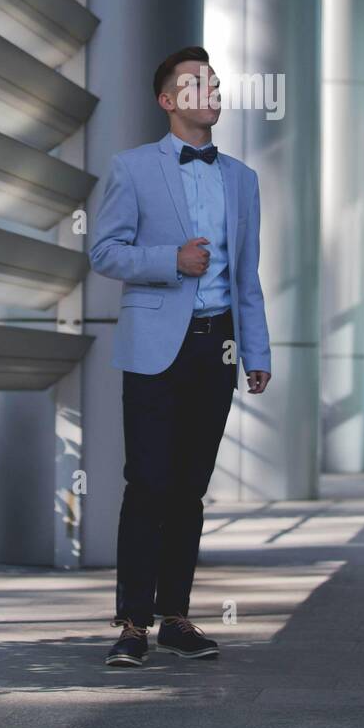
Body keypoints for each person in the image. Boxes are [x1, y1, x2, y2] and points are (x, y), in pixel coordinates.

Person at [89, 46, 272, 667]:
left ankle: (176, 618)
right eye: (196, 83)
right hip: (153, 346)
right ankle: (132, 624)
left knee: (190, 489)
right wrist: (171, 261)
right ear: (169, 102)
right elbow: (105, 252)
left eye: (214, 81)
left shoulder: (243, 179)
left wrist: (256, 351)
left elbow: (248, 274)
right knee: (147, 484)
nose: (211, 88)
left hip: (217, 347)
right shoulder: (132, 168)